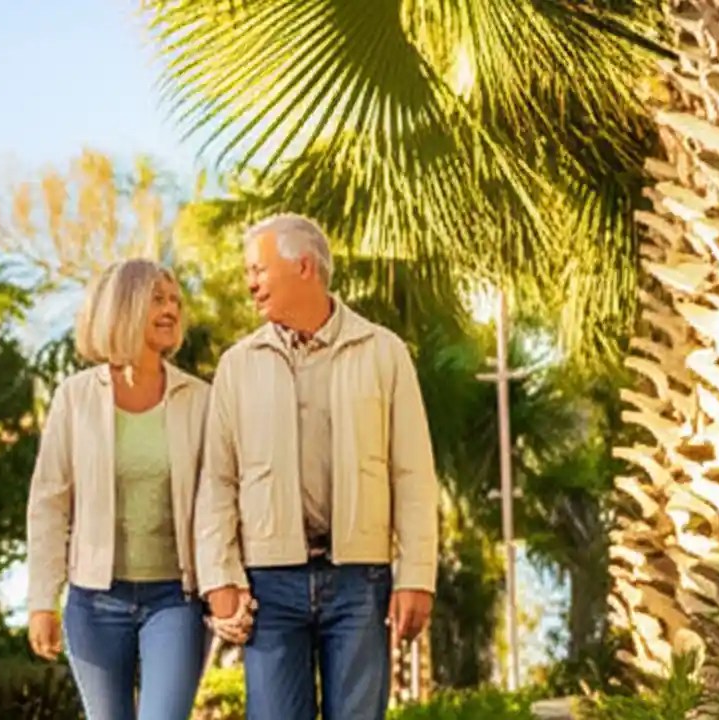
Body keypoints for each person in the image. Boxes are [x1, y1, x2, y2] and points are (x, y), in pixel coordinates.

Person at [195, 214, 439, 719]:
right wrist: (220, 576)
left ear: (303, 266)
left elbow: (412, 475)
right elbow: (217, 482)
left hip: (360, 581)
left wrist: (417, 575)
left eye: (259, 269)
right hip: (269, 583)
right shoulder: (237, 366)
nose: (250, 282)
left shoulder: (383, 352)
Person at [25, 258, 211, 720]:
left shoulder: (199, 399)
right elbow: (49, 503)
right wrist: (41, 601)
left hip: (176, 598)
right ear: (123, 307)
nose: (171, 310)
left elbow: (219, 501)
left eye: (175, 301)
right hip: (95, 602)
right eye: (157, 299)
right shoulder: (76, 396)